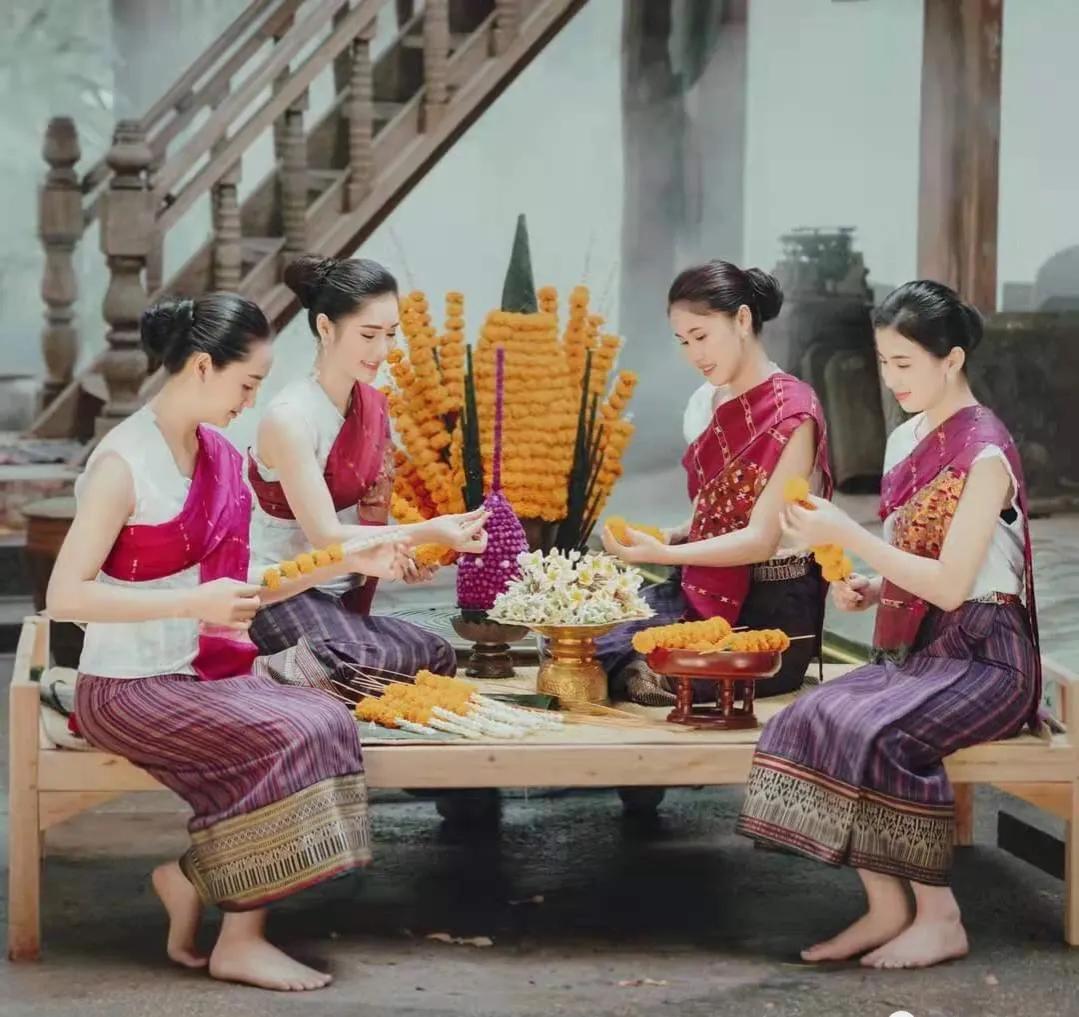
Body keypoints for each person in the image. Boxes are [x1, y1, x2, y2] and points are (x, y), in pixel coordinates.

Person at [48, 293, 409, 992]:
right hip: (126, 689)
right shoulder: (124, 462)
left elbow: (243, 587)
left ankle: (191, 877)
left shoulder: (215, 453)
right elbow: (65, 596)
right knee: (285, 731)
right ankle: (238, 937)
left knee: (326, 715)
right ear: (204, 366)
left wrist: (347, 560)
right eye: (247, 383)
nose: (252, 400)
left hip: (194, 671)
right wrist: (192, 601)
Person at [737, 280, 1040, 970]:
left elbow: (954, 582)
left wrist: (848, 530)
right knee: (810, 714)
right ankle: (885, 906)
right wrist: (872, 584)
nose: (890, 378)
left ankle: (939, 916)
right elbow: (916, 561)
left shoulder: (984, 454)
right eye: (881, 362)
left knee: (881, 730)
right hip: (926, 646)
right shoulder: (906, 436)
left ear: (951, 359)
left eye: (904, 362)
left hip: (987, 657)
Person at [597, 260, 832, 704]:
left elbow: (761, 539)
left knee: (665, 666)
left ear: (742, 320)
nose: (694, 355)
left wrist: (664, 552)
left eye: (702, 337)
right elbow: (717, 511)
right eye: (684, 342)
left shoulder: (793, 412)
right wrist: (671, 535)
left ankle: (657, 680)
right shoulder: (708, 402)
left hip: (771, 605)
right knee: (589, 639)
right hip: (704, 584)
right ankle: (649, 673)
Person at [248, 254, 486, 690]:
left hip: (338, 597)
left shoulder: (371, 406)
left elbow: (364, 520)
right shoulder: (289, 417)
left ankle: (308, 671)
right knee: (354, 662)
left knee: (436, 656)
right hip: (281, 593)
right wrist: (431, 532)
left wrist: (401, 556)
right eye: (368, 334)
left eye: (391, 335)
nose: (383, 351)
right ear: (325, 327)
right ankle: (253, 672)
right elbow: (326, 536)